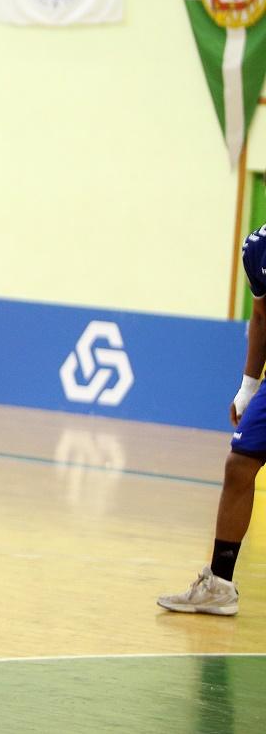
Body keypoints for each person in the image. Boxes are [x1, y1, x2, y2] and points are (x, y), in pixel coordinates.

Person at [157, 224, 266, 616]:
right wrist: (248, 386)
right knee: (239, 464)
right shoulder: (258, 248)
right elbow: (261, 317)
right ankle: (219, 585)